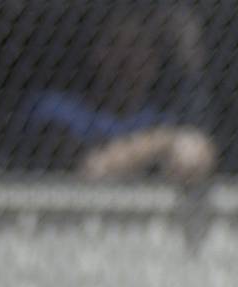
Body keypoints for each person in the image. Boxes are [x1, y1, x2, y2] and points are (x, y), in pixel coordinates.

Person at [16, 2, 217, 185]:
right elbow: (89, 168)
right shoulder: (56, 109)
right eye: (113, 44)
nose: (125, 56)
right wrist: (162, 141)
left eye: (136, 46)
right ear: (96, 54)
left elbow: (195, 155)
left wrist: (197, 151)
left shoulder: (160, 119)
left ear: (153, 62)